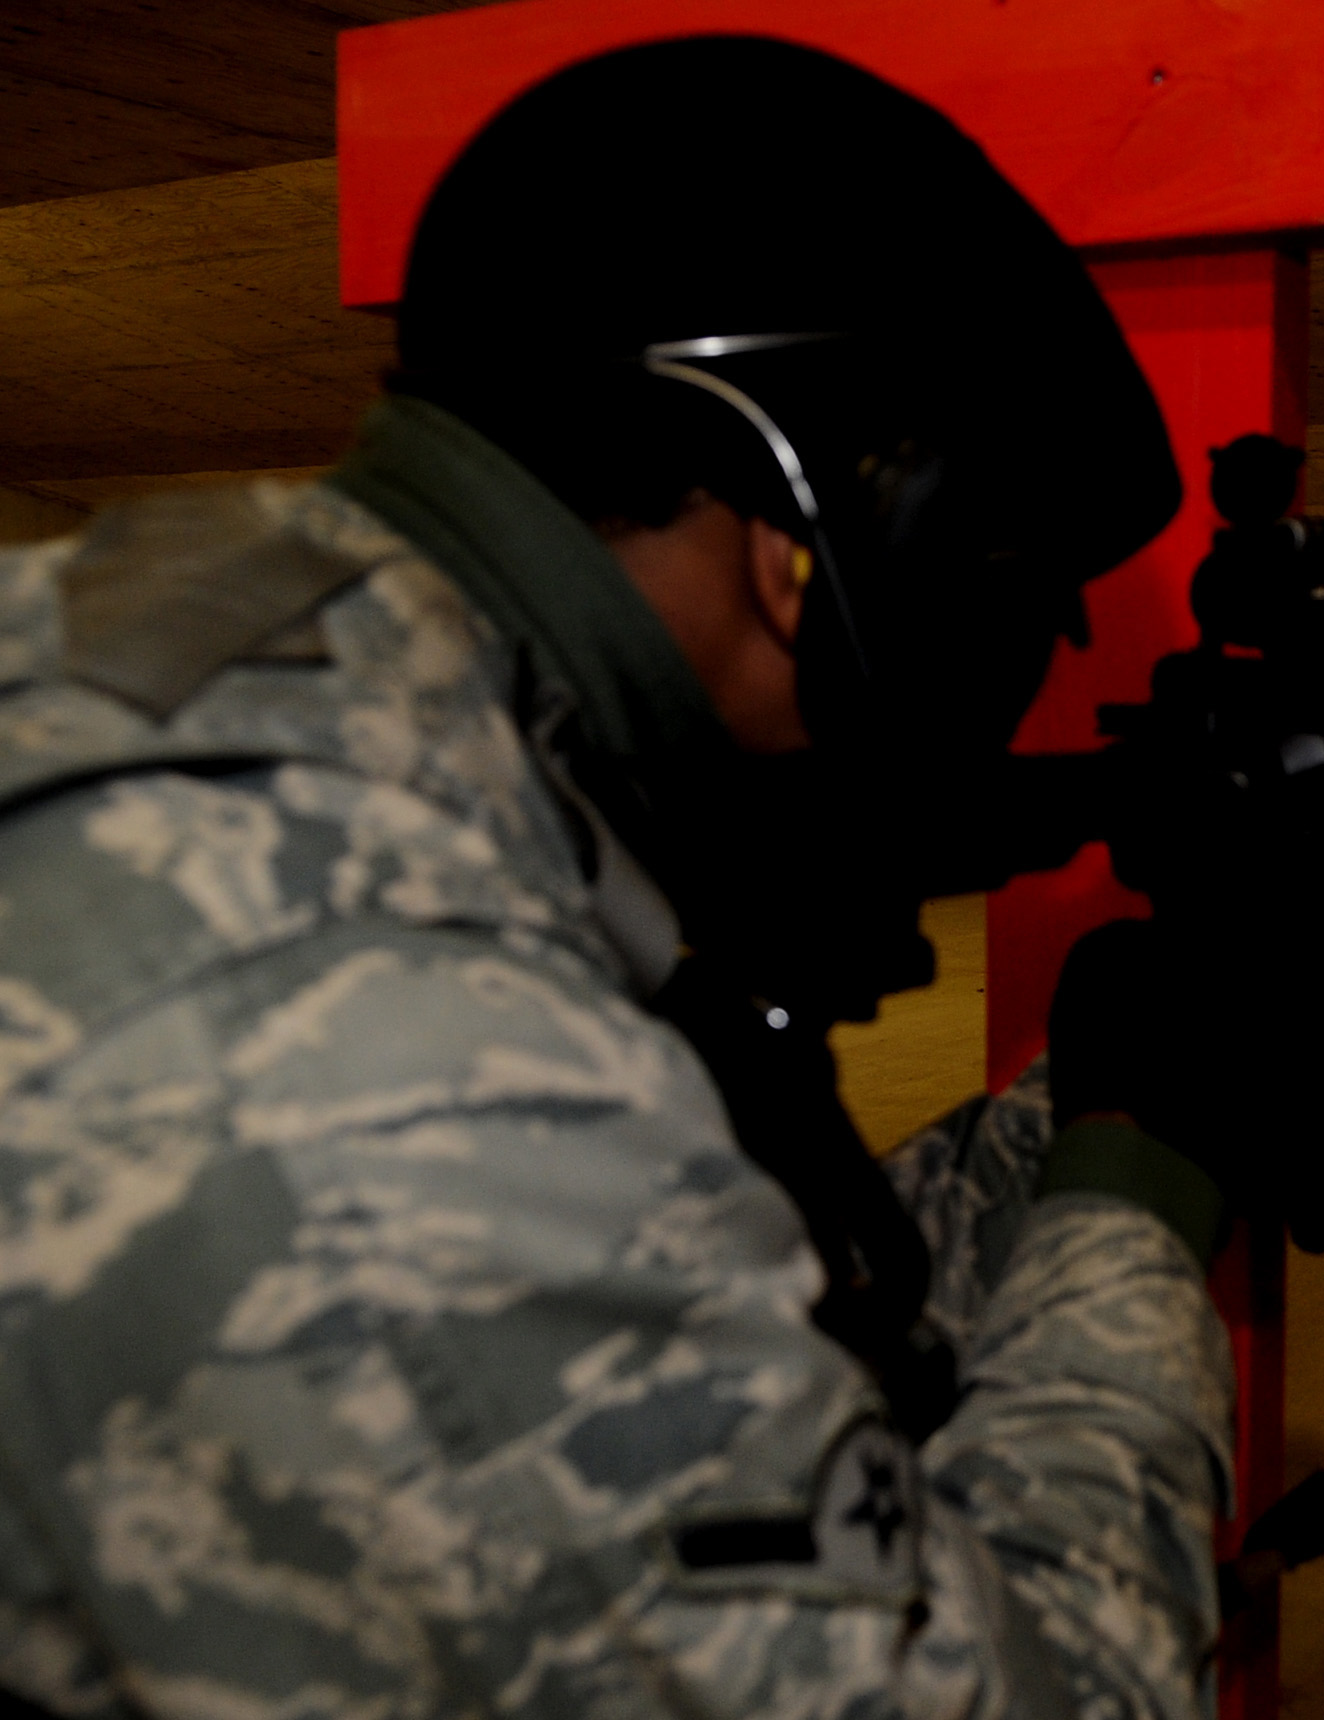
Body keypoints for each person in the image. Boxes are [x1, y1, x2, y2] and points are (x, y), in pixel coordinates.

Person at [0, 38, 1245, 1720]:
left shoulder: (195, 652)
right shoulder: (362, 1029)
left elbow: (662, 1288)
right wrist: (1130, 1205)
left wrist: (1054, 1129)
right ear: (809, 533)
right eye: (984, 578)